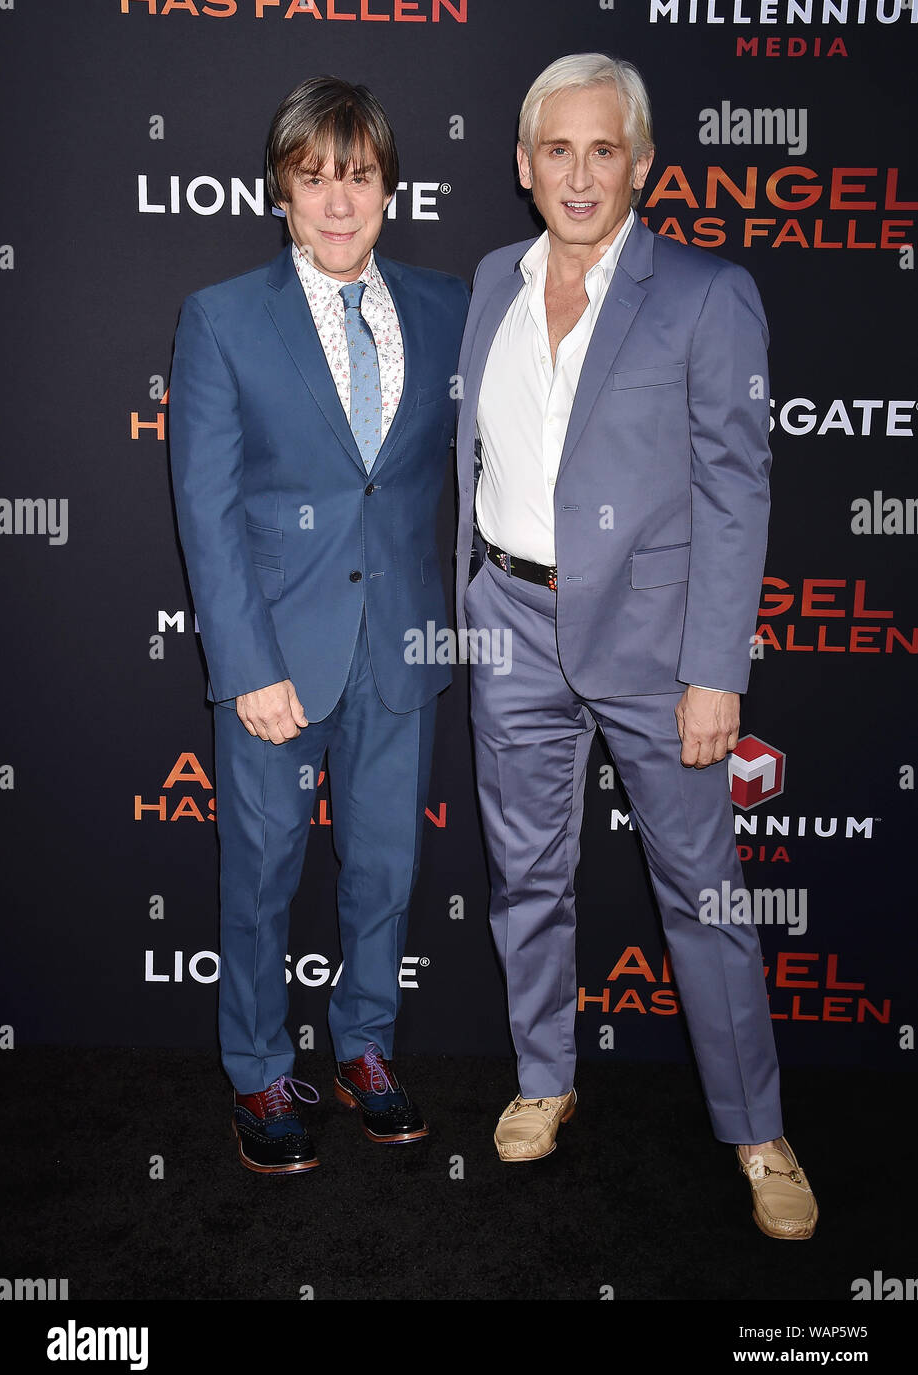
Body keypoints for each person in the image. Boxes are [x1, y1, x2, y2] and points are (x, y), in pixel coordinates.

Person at [454, 53, 817, 1238]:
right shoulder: (489, 282)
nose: (578, 172)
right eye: (555, 149)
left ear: (642, 164)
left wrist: (719, 668)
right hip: (508, 618)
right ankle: (545, 1079)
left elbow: (736, 489)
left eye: (602, 149)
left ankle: (758, 1133)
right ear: (523, 165)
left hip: (660, 647)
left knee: (703, 898)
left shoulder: (707, 294)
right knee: (527, 878)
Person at [169, 75, 469, 1173]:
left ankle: (366, 1048)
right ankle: (255, 1067)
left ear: (389, 187)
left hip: (401, 648)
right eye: (314, 177)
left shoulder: (447, 308)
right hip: (277, 660)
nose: (338, 201)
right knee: (260, 873)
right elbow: (204, 505)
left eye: (359, 175)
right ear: (281, 190)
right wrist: (244, 662)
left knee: (384, 867)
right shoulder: (223, 316)